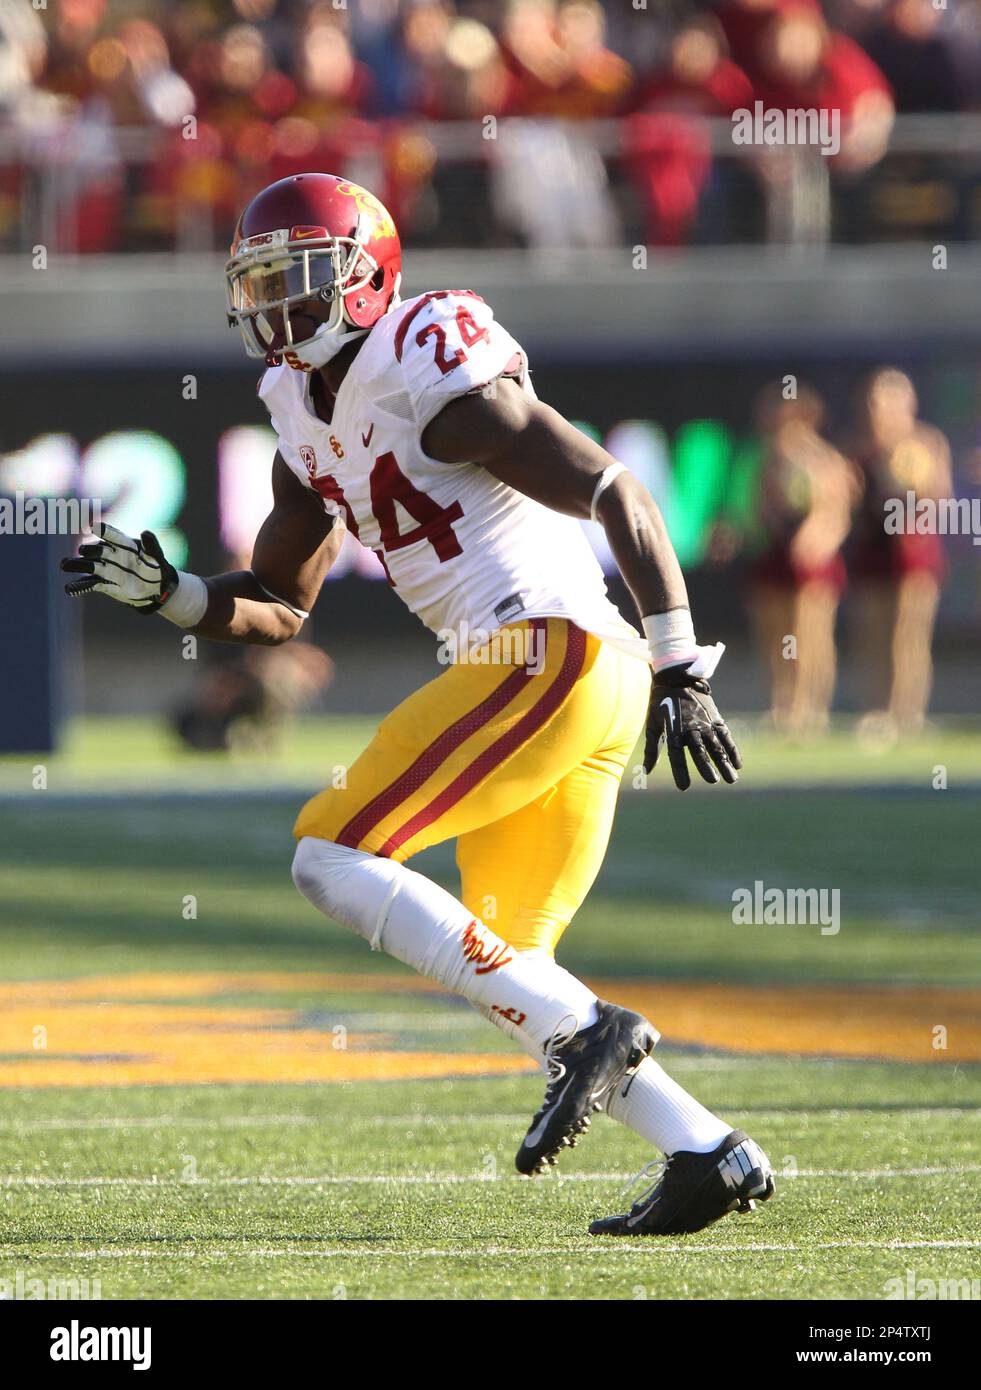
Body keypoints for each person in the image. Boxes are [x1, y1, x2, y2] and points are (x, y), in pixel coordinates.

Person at [61, 171, 774, 1237]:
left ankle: (596, 1035)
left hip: (552, 653)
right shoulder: (297, 405)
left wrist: (685, 661)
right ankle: (706, 1150)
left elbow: (614, 488)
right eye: (256, 281)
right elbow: (279, 602)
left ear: (362, 274)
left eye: (292, 277)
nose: (271, 304)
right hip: (561, 678)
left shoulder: (423, 353)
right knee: (514, 976)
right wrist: (174, 596)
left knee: (327, 852)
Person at [844, 368, 952, 737]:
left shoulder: (925, 443)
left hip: (914, 555)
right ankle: (876, 712)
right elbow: (848, 500)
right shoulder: (859, 449)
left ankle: (908, 713)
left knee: (909, 636)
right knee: (873, 633)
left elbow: (939, 496)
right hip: (872, 552)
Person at [749, 384, 856, 734]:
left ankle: (811, 707)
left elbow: (836, 512)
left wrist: (815, 541)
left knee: (810, 634)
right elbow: (758, 506)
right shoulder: (768, 459)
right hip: (776, 555)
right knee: (777, 635)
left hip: (812, 559)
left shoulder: (823, 459)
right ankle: (783, 704)